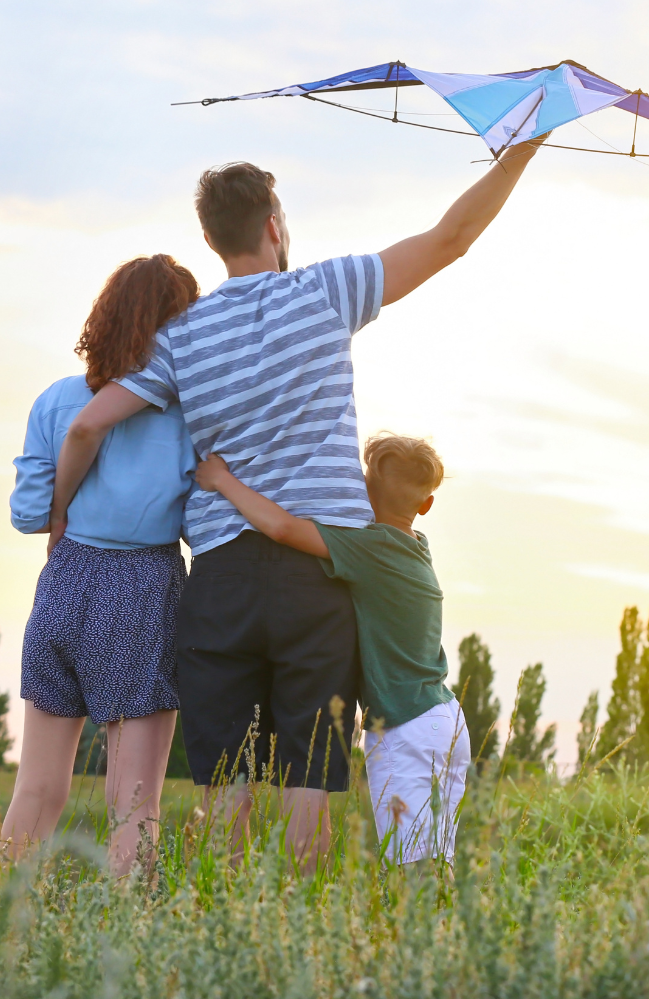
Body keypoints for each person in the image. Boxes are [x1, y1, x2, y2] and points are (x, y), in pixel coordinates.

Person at [50, 138, 545, 870]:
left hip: (220, 581)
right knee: (308, 776)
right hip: (316, 580)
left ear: (212, 239)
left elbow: (87, 426)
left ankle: (225, 924)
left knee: (225, 783)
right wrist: (522, 149)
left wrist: (60, 515)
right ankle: (294, 923)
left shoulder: (180, 339)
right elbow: (451, 238)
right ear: (274, 226)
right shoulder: (326, 290)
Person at [3, 255, 199, 874]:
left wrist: (68, 506)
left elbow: (28, 514)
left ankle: (7, 911)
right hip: (142, 588)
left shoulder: (56, 399)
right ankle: (130, 931)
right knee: (134, 804)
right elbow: (200, 522)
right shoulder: (186, 410)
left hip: (62, 584)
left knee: (37, 791)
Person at [196, 434, 468, 865]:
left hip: (406, 725)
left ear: (361, 490)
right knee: (433, 854)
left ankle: (429, 916)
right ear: (426, 505)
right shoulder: (415, 545)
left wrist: (222, 480)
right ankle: (444, 911)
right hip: (443, 718)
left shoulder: (370, 548)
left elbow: (283, 529)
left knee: (415, 863)